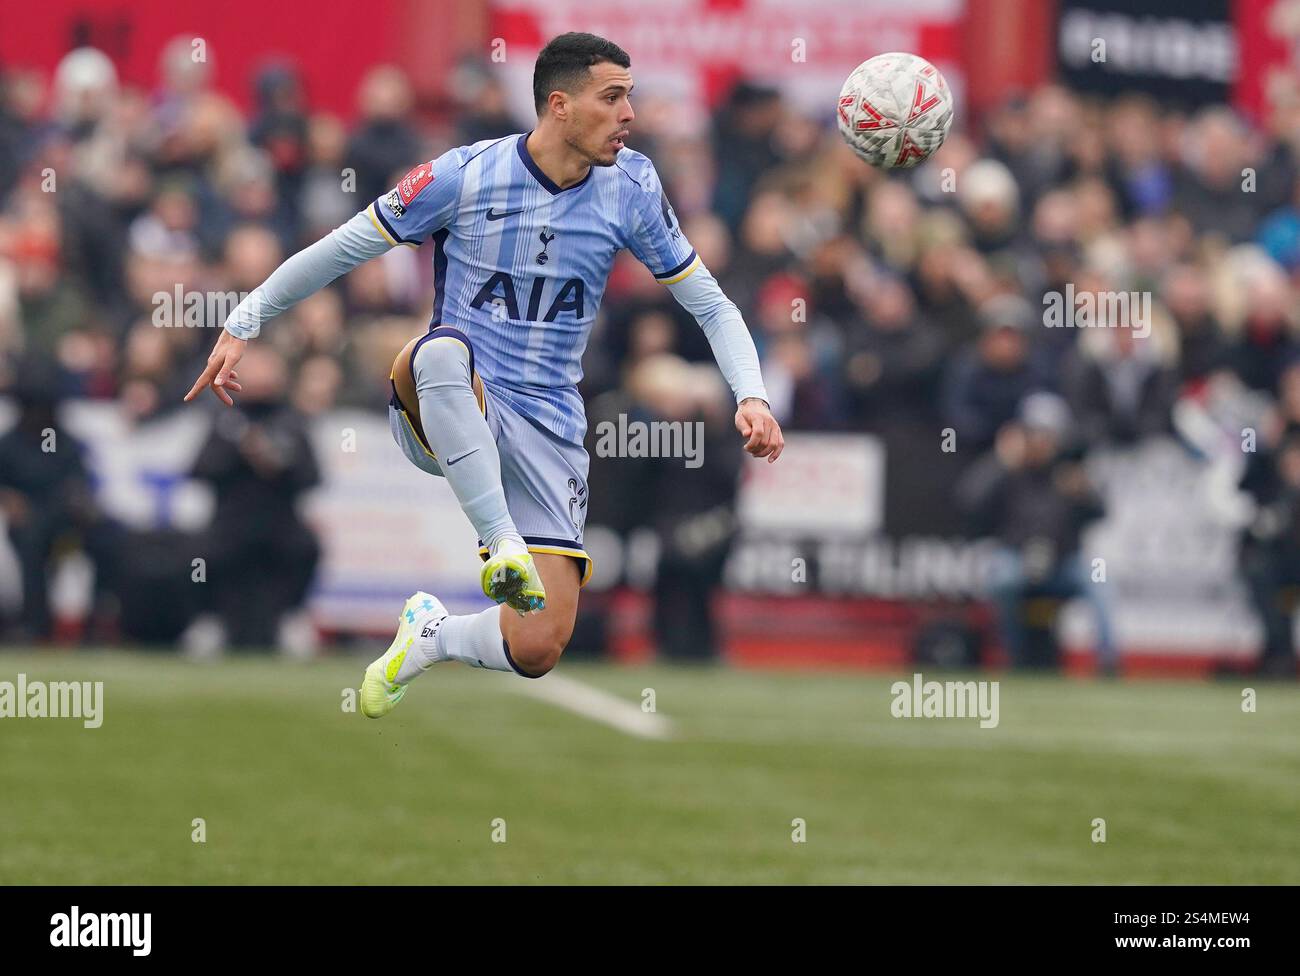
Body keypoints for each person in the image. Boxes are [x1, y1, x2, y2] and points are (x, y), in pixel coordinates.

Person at [184, 33, 783, 715]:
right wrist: (246, 318)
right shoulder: (464, 175)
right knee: (439, 349)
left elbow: (709, 301)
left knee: (539, 645)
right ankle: (501, 546)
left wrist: (752, 396)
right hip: (448, 401)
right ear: (560, 105)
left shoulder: (633, 186)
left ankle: (433, 636)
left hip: (550, 424)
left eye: (631, 98)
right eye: (612, 97)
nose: (629, 115)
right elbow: (343, 248)